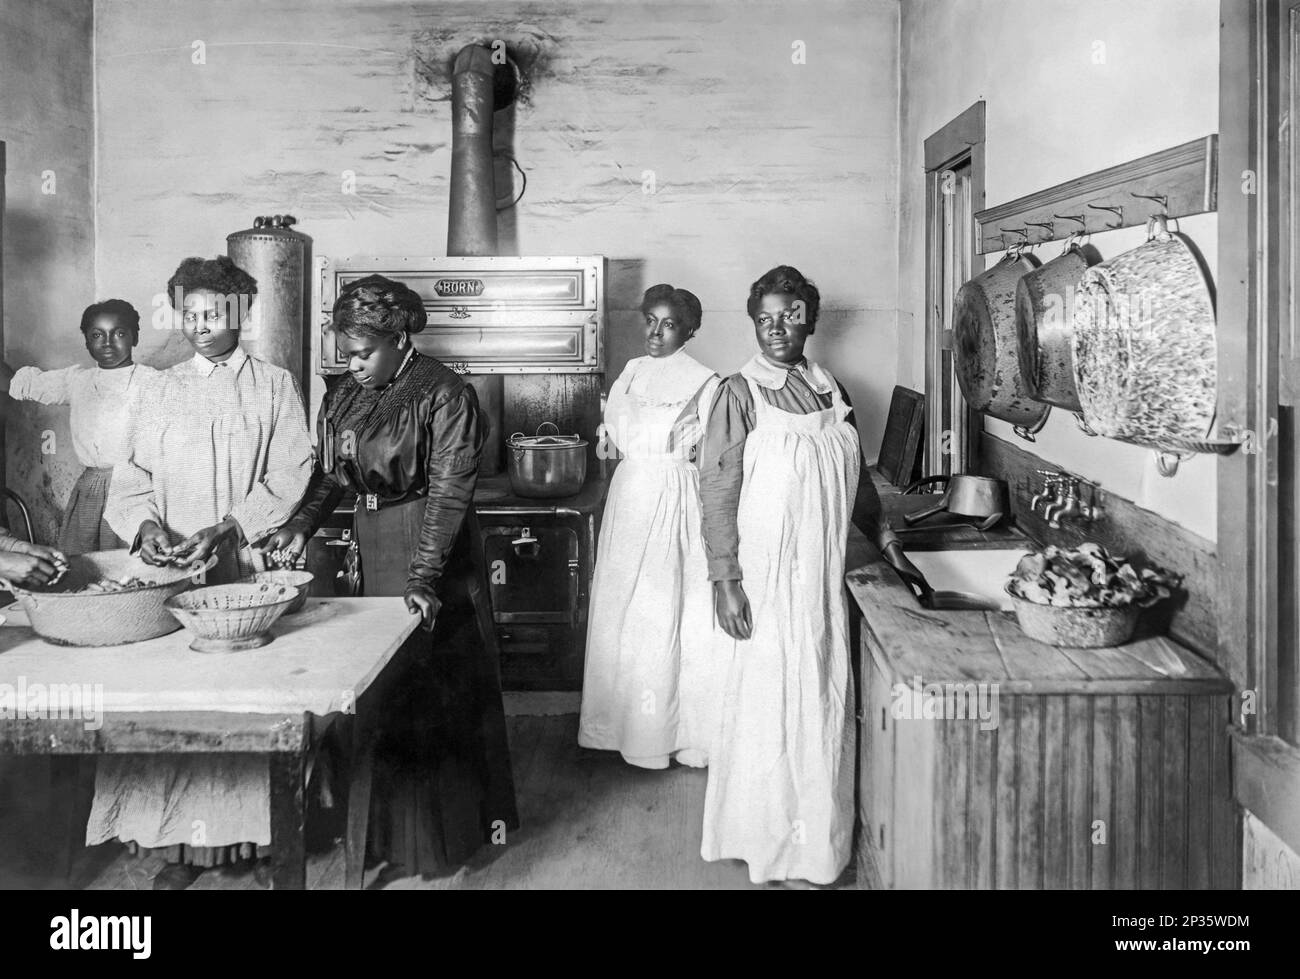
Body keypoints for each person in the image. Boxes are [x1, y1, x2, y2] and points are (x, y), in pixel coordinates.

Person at [263, 273, 517, 879]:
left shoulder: (446, 393)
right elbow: (331, 473)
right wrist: (300, 524)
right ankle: (370, 835)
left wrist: (423, 575)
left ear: (401, 337)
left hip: (431, 541)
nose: (352, 365)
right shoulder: (345, 395)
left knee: (428, 688)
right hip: (371, 540)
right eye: (345, 352)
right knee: (372, 689)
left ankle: (437, 845)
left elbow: (452, 488)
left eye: (363, 353)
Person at [88, 255, 314, 889]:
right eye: (190, 315)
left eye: (214, 314)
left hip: (242, 568)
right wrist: (148, 529)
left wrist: (234, 524)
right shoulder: (158, 388)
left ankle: (253, 839)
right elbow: (131, 480)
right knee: (174, 704)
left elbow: (292, 471)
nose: (201, 326)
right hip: (173, 576)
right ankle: (178, 848)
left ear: (241, 314)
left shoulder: (273, 385)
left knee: (246, 703)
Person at [697, 265, 919, 887]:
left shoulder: (829, 385)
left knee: (819, 691)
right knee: (770, 698)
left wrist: (885, 537)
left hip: (820, 571)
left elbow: (858, 480)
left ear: (809, 321)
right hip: (764, 571)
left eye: (790, 315)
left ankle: (815, 847)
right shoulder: (738, 391)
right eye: (765, 317)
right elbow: (716, 488)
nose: (777, 329)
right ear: (753, 322)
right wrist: (725, 579)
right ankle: (765, 841)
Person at [578, 284, 721, 769]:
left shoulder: (706, 381)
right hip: (630, 492)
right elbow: (615, 436)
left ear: (690, 331)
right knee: (624, 605)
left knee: (667, 608)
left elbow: (716, 457)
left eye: (670, 324)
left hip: (675, 494)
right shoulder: (632, 372)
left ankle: (670, 736)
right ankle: (618, 729)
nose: (656, 333)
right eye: (651, 321)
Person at [1, 300, 158, 554]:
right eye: (97, 335)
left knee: (133, 565)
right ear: (86, 341)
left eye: (119, 333)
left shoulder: (154, 382)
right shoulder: (78, 381)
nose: (107, 342)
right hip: (90, 490)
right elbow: (23, 384)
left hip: (137, 492)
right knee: (87, 568)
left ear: (135, 337)